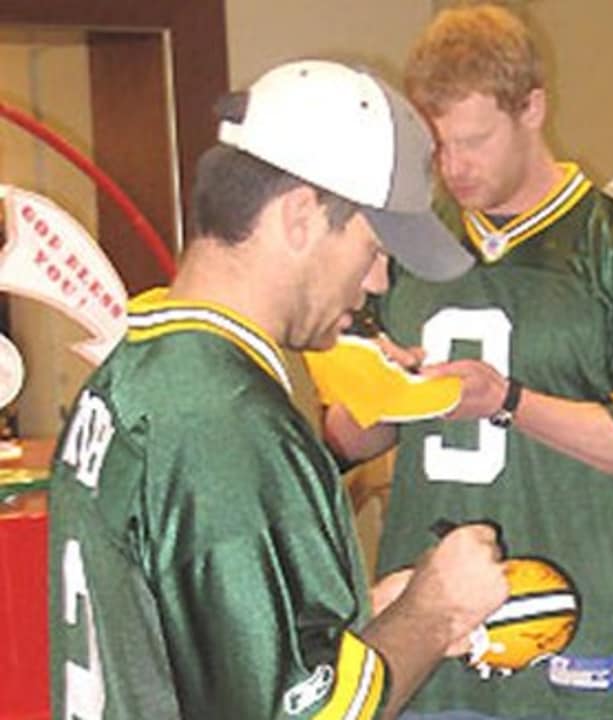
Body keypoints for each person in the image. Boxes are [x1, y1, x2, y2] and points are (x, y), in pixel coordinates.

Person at [46, 60, 509, 719]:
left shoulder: (137, 372)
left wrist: (382, 616)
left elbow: (197, 644)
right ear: (300, 216)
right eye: (375, 246)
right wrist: (438, 611)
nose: (379, 280)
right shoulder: (223, 421)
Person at [323, 5, 613, 719]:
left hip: (581, 615)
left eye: (472, 141)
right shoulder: (410, 250)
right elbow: (348, 440)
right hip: (427, 620)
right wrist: (381, 392)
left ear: (533, 107)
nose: (453, 167)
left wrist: (506, 401)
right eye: (437, 147)